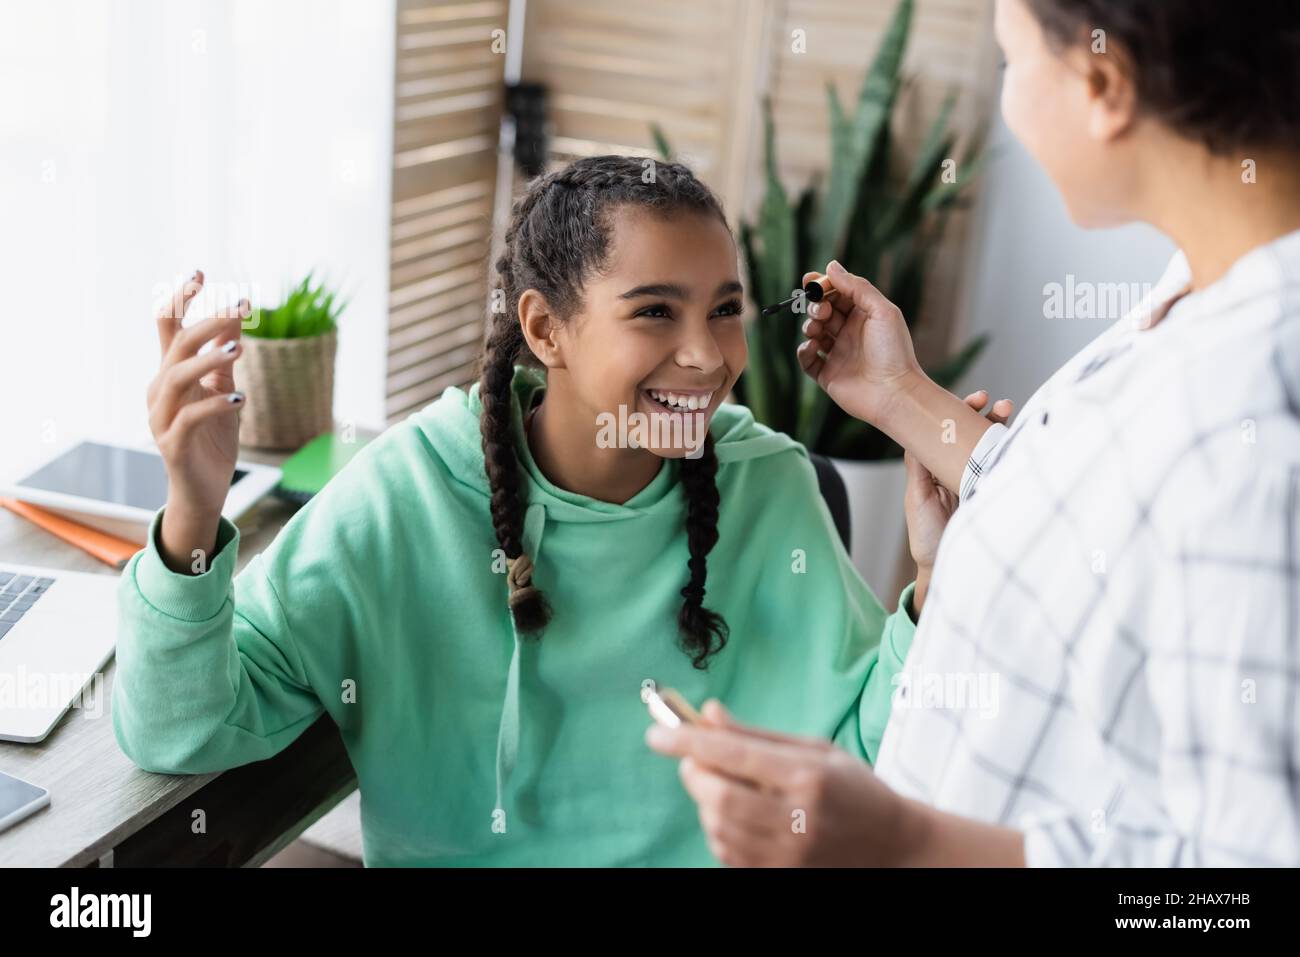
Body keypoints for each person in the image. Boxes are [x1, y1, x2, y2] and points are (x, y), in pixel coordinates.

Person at [113, 154, 1009, 866]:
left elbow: (862, 752)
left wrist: (935, 577)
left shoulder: (767, 484)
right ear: (545, 330)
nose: (705, 355)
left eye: (726, 310)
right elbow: (179, 727)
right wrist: (192, 512)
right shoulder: (403, 495)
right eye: (655, 311)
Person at [649, 0, 1300, 867]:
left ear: (1103, 85)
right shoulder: (1201, 286)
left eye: (1010, 63)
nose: (1006, 101)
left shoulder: (1253, 421)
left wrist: (911, 844)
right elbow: (1110, 521)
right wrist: (901, 397)